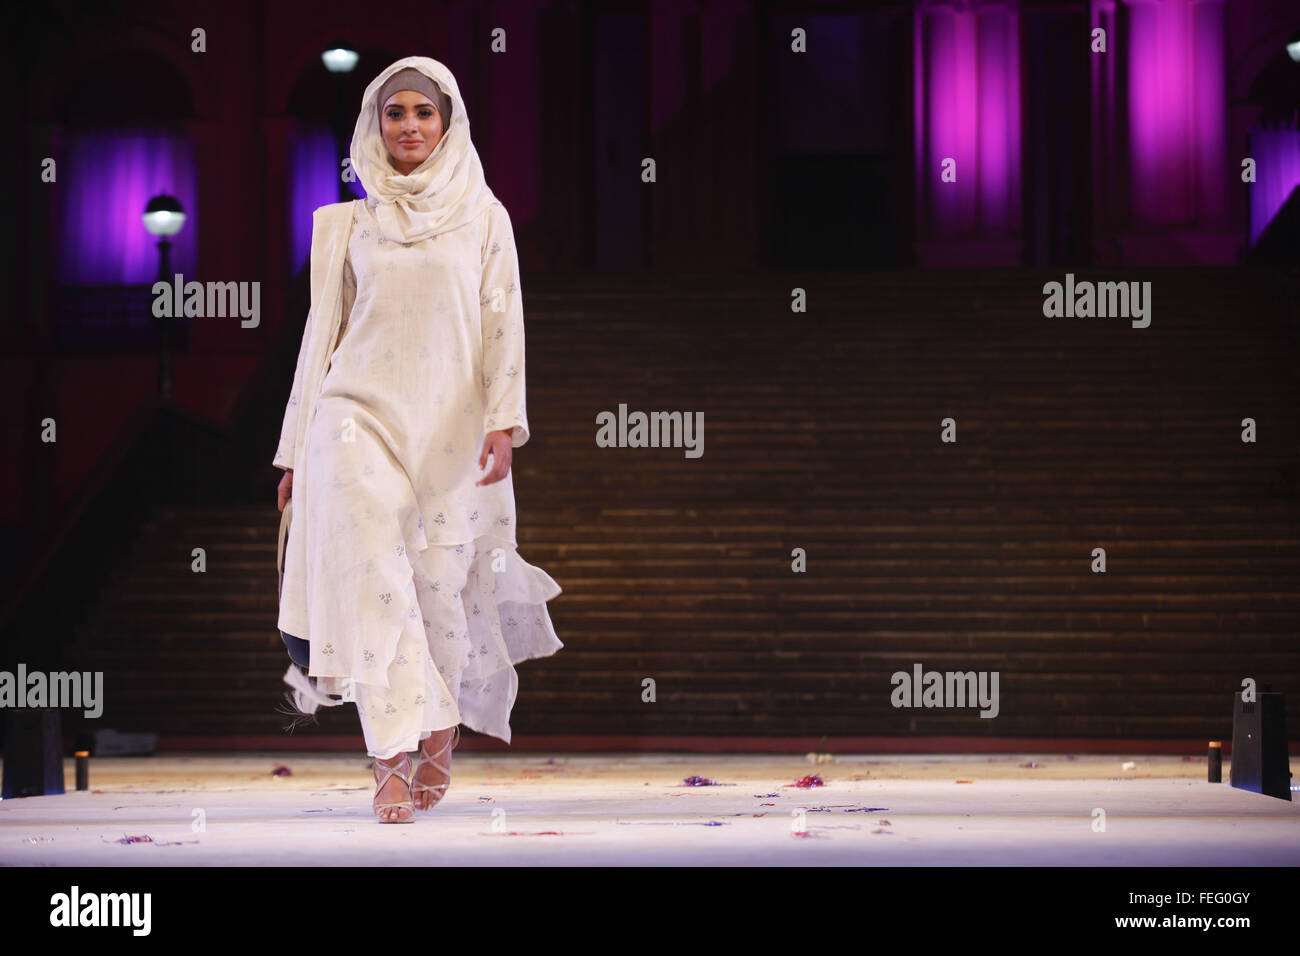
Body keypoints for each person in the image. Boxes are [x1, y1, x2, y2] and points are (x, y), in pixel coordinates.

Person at [273, 56, 563, 823]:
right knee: (372, 574)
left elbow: (505, 323)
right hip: (351, 415)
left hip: (449, 425)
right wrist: (296, 452)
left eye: (422, 113)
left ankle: (439, 717)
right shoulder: (347, 225)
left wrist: (505, 419)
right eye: (393, 113)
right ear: (375, 126)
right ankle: (392, 755)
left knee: (438, 590)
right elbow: (319, 340)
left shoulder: (483, 216)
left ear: (447, 123)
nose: (407, 126)